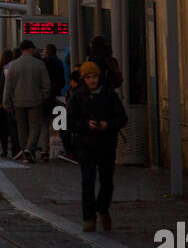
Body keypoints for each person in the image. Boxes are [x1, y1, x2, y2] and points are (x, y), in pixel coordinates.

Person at [68, 59, 127, 232]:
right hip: (85, 145)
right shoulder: (77, 96)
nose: (92, 80)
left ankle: (102, 208)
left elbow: (122, 118)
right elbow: (70, 122)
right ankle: (89, 218)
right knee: (87, 182)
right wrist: (86, 125)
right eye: (88, 77)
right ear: (83, 79)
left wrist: (108, 125)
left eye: (94, 77)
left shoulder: (109, 95)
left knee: (107, 181)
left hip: (106, 143)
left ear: (99, 77)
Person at [3, 39, 51, 163]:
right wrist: (42, 96)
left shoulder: (13, 65)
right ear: (30, 49)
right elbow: (47, 85)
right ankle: (30, 148)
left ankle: (26, 153)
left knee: (22, 128)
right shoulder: (39, 64)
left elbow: (8, 86)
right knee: (35, 126)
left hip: (18, 101)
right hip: (36, 101)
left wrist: (7, 102)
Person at [40, 42, 67, 159]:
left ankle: (44, 151)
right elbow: (62, 81)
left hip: (45, 98)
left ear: (46, 52)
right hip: (57, 96)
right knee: (58, 125)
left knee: (44, 124)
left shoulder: (43, 63)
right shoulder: (59, 62)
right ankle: (58, 150)